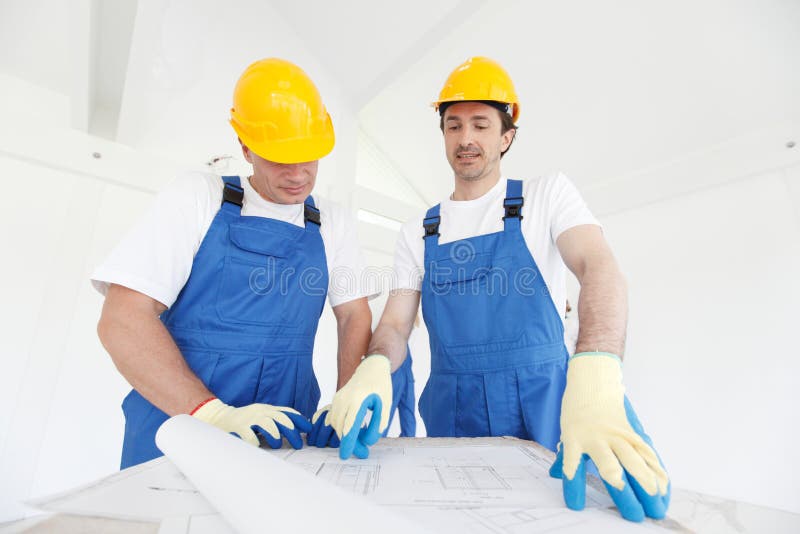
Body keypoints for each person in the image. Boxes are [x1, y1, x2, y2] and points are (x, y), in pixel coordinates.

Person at [326, 57, 670, 522]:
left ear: (506, 137)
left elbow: (599, 267)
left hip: (550, 404)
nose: (465, 138)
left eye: (481, 125)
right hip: (455, 413)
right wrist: (375, 365)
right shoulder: (418, 231)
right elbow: (394, 324)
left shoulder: (545, 196)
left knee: (574, 517)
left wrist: (597, 370)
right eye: (454, 126)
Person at [94, 58, 373, 468]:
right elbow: (122, 319)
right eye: (280, 158)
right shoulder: (198, 197)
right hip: (178, 424)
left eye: (309, 156)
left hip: (282, 429)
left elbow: (354, 315)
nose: (298, 174)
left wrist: (347, 397)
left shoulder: (332, 221)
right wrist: (210, 413)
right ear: (246, 147)